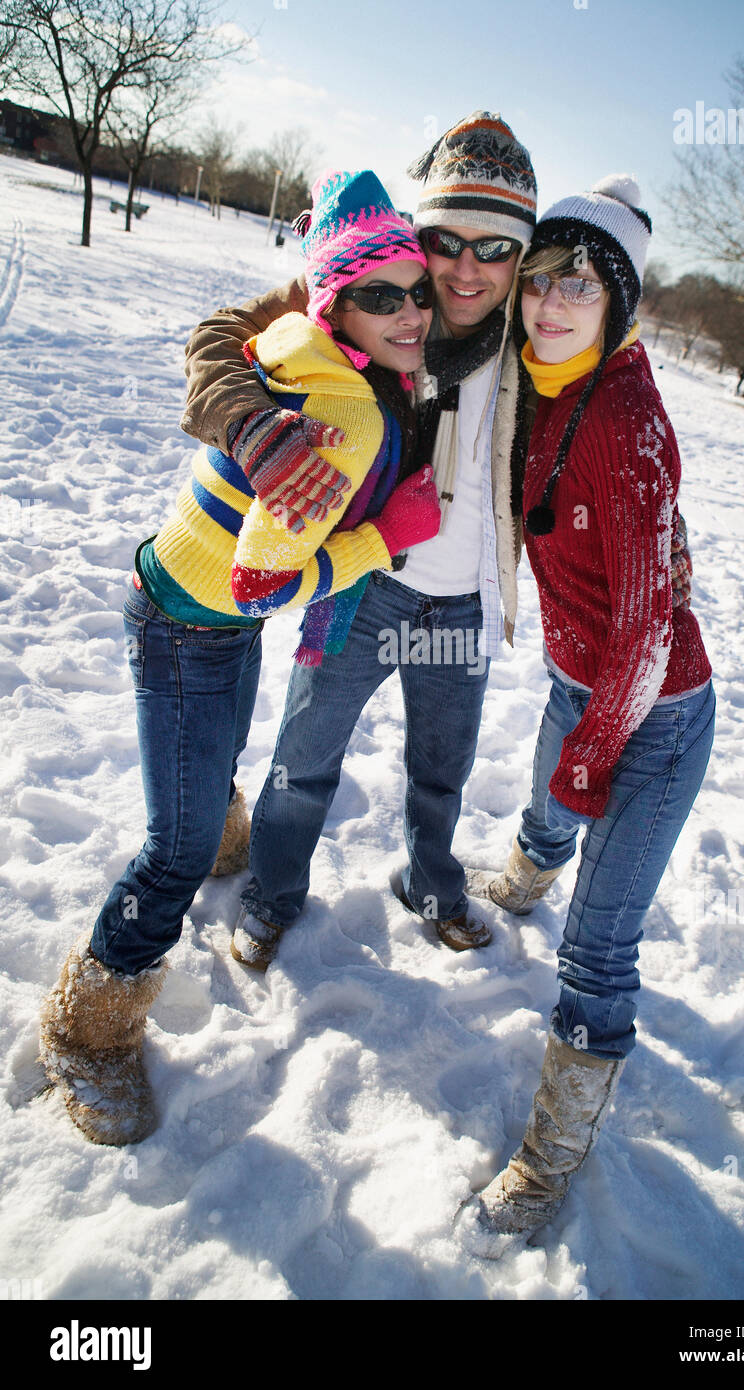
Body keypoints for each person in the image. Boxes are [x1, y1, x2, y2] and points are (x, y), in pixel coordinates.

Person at [39, 169, 441, 1147]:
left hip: (212, 614)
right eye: (382, 293)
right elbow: (269, 578)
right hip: (189, 617)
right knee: (169, 850)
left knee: (210, 763)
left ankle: (215, 826)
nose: (414, 308)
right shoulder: (331, 389)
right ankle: (87, 1030)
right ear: (332, 293)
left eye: (418, 289)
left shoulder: (358, 359)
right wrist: (383, 538)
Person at [180, 112, 543, 967]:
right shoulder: (369, 291)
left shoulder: (537, 338)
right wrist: (250, 427)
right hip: (364, 586)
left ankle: (432, 882)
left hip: (460, 605)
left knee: (442, 771)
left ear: (521, 258)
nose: (462, 269)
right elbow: (216, 340)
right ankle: (271, 893)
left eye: (494, 248)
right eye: (445, 239)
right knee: (306, 757)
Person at [467, 177, 715, 1239]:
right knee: (544, 807)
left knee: (597, 950)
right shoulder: (534, 375)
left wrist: (593, 752)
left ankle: (550, 1156)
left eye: (581, 282)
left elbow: (651, 638)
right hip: (583, 679)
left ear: (621, 303)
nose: (550, 301)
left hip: (655, 715)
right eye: (540, 278)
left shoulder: (624, 419)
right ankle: (526, 866)